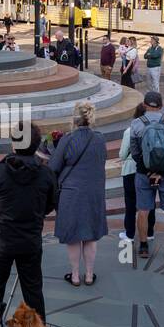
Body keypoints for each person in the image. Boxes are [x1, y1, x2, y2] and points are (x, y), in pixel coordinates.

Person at [0, 122, 57, 324]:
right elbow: (50, 204)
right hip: (30, 241)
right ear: (36, 146)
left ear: (14, 145)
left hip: (1, 241)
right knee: (33, 292)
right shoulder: (46, 175)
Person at [48, 100, 109, 286]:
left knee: (73, 236)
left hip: (71, 194)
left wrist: (51, 148)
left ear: (74, 118)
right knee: (90, 235)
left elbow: (54, 167)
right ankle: (89, 275)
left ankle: (75, 276)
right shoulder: (99, 139)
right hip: (94, 193)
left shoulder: (68, 139)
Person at [129, 91, 164, 262]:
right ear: (160, 107)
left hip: (143, 174)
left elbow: (135, 153)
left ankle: (144, 246)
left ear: (144, 105)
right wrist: (162, 171)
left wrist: (149, 171)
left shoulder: (137, 123)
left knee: (143, 210)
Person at [118, 103, 156, 245]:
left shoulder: (130, 131)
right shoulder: (153, 129)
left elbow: (122, 154)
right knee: (149, 202)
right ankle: (150, 232)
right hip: (150, 170)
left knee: (131, 203)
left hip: (131, 170)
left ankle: (129, 234)